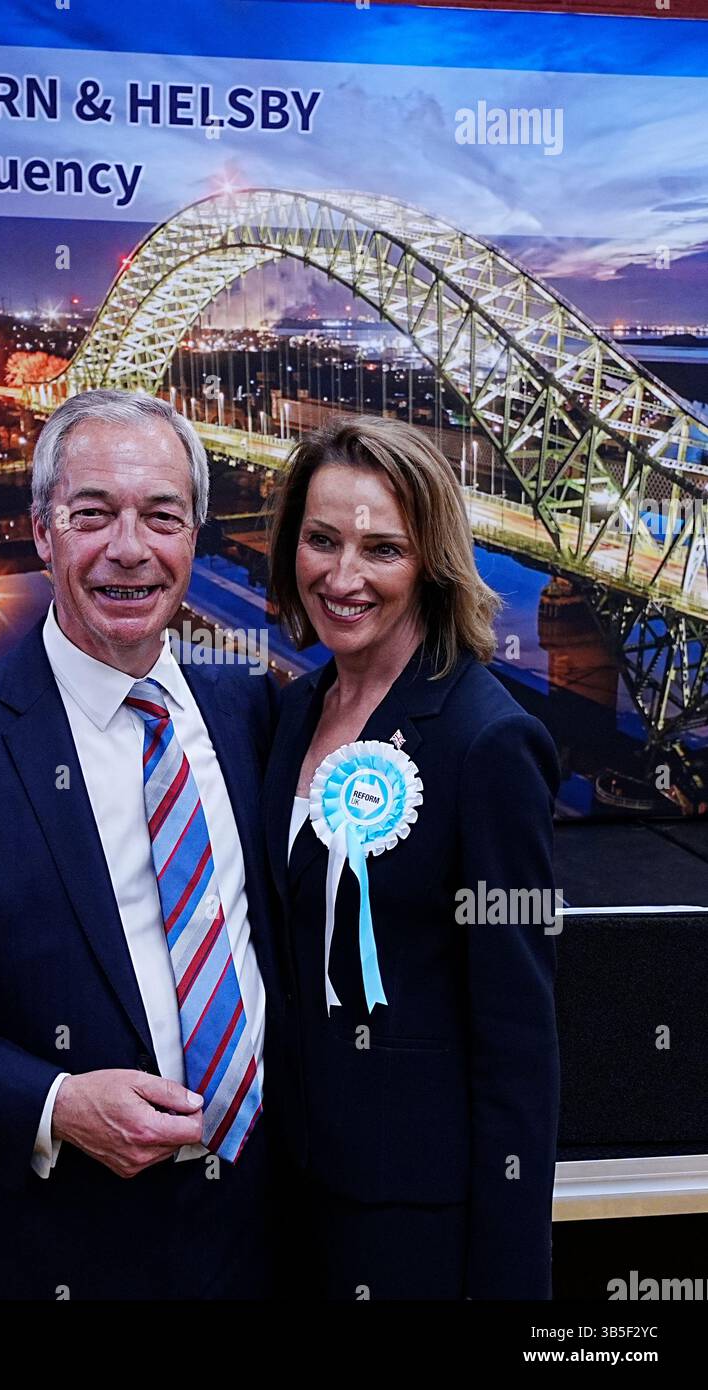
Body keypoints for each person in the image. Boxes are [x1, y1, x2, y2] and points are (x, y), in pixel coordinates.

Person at [0, 388, 282, 1299]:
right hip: (48, 1244)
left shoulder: (251, 712)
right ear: (42, 533)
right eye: (92, 515)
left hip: (254, 1225)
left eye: (162, 517)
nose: (129, 549)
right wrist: (53, 1105)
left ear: (196, 537)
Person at [264, 415, 561, 1300]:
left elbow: (520, 1043)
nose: (342, 576)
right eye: (321, 540)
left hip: (416, 1226)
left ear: (430, 564)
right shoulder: (294, 712)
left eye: (381, 549)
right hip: (289, 1197)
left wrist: (511, 1289)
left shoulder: (489, 741)